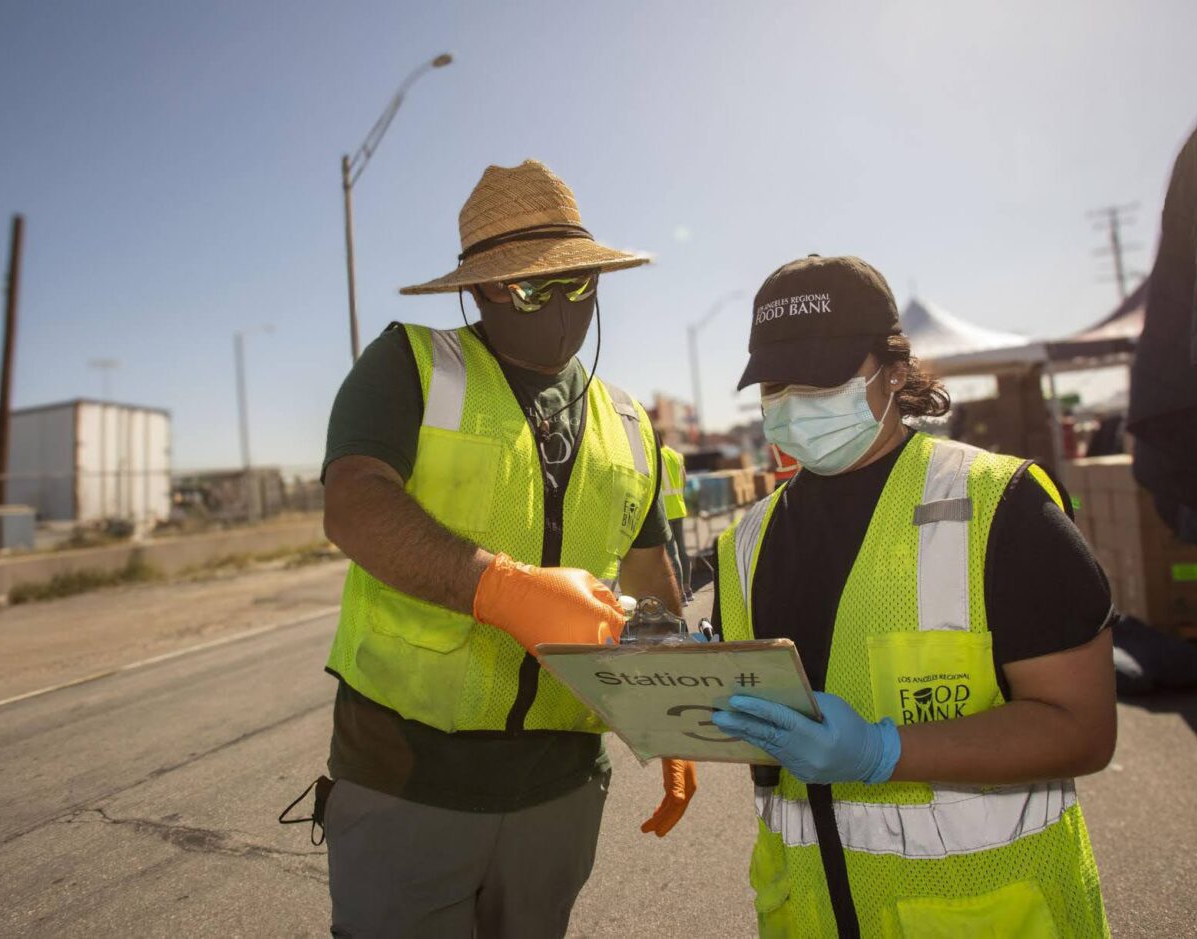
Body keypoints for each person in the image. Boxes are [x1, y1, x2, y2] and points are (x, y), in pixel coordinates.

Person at [316, 160, 694, 938]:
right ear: (479, 291)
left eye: (574, 282)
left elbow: (651, 577)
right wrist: (503, 588)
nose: (555, 305)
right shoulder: (410, 366)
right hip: (407, 782)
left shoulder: (630, 424)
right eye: (525, 288)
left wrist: (673, 709)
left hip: (560, 788)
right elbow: (353, 503)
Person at [707, 256, 1114, 937]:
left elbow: (1083, 728)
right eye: (777, 383)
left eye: (823, 376)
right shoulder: (745, 541)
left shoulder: (1000, 506)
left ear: (895, 370)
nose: (797, 399)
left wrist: (880, 751)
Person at [659, 442, 691, 600]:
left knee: (672, 552)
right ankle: (687, 589)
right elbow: (684, 480)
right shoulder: (677, 455)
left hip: (666, 510)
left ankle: (680, 594)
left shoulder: (657, 456)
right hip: (679, 507)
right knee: (683, 550)